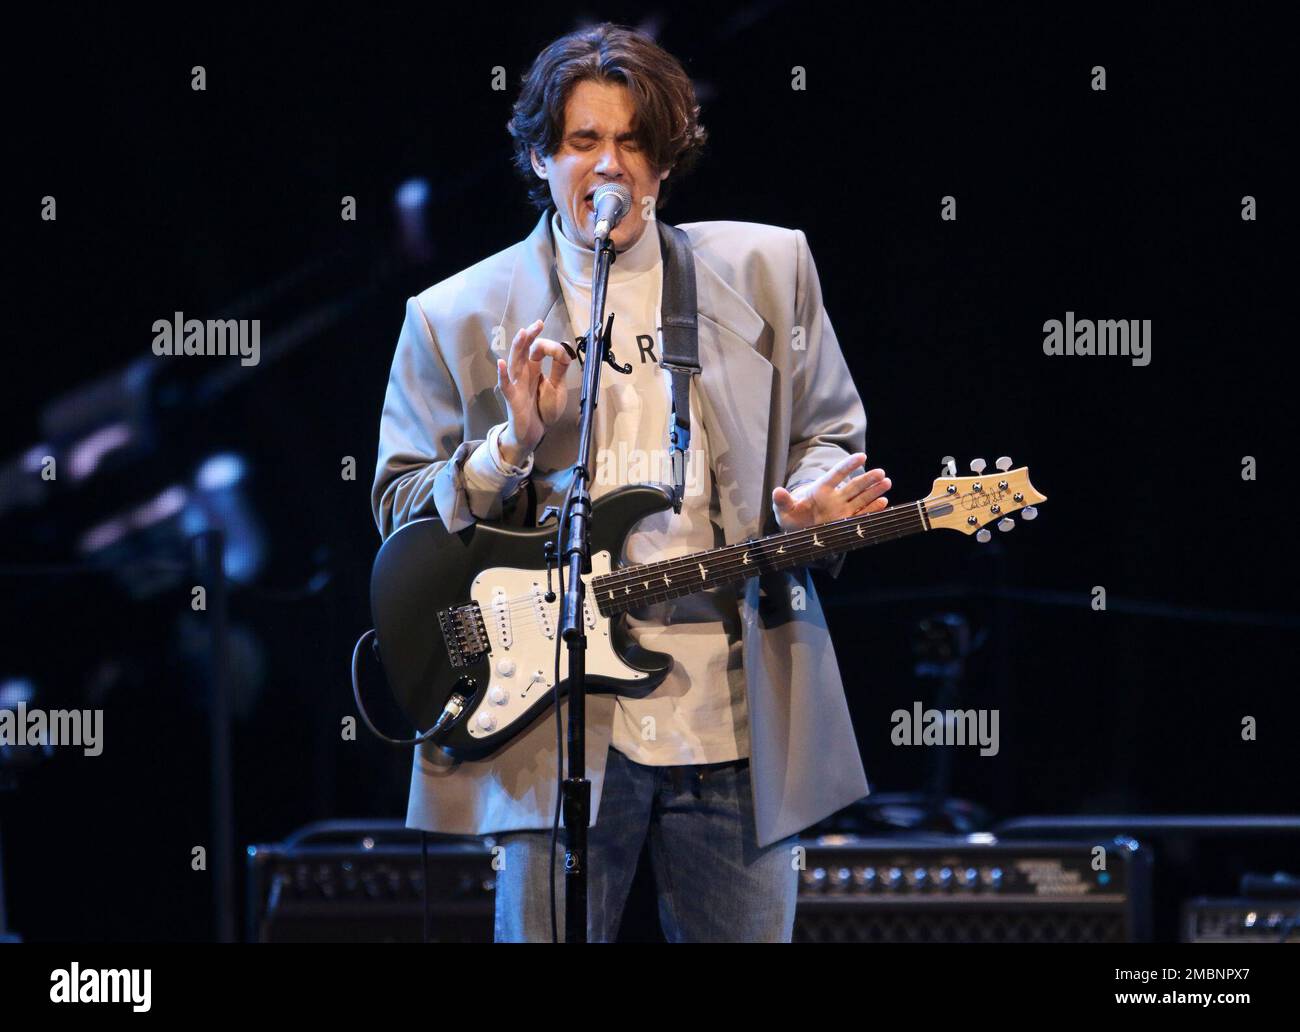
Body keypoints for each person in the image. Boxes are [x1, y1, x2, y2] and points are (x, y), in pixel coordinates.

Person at [372, 22, 890, 942]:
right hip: (553, 723)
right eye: (583, 142)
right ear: (540, 157)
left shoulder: (767, 269)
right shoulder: (454, 315)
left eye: (633, 142)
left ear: (665, 159)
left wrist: (812, 500)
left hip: (736, 724)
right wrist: (507, 449)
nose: (609, 166)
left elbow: (828, 432)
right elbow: (399, 510)